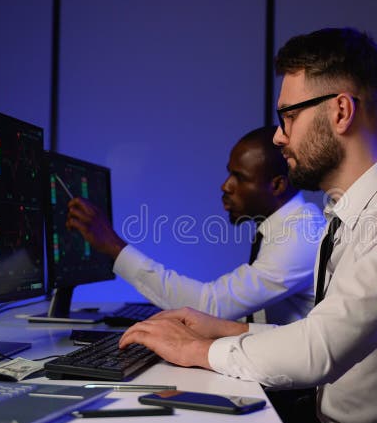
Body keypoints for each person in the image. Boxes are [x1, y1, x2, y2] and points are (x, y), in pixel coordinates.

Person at [118, 28, 377, 423]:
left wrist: (194, 350)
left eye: (289, 116)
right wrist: (224, 329)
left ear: (341, 112)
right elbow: (329, 331)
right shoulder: (346, 215)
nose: (278, 135)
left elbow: (319, 348)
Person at [66, 126, 324, 325]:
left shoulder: (299, 236)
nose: (226, 186)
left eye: (239, 177)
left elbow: (210, 304)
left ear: (277, 185)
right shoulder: (285, 227)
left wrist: (113, 246)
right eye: (229, 173)